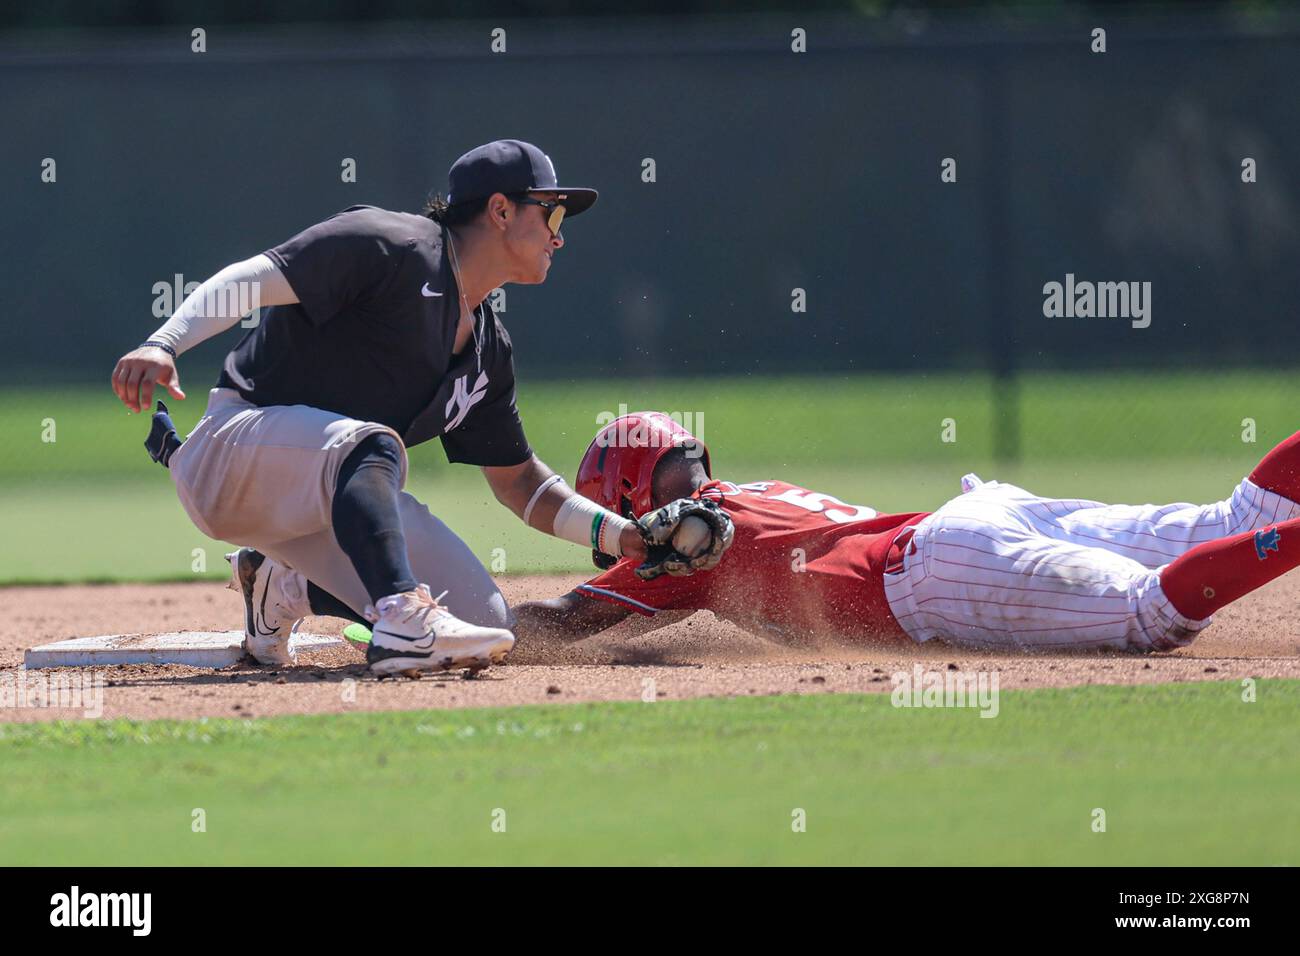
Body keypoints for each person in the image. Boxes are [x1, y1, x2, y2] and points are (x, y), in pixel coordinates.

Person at [110, 141, 729, 674]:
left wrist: (626, 537)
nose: (559, 234)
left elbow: (520, 485)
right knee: (372, 444)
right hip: (231, 452)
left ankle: (280, 583)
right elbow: (253, 276)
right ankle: (401, 617)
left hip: (316, 504)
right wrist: (164, 342)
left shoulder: (488, 347)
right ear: (500, 209)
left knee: (487, 623)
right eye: (551, 212)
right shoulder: (391, 244)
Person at [512, 411, 1300, 653]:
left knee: (1149, 618)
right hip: (975, 517)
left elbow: (557, 624)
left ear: (622, 495)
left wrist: (444, 624)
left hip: (935, 573)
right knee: (1236, 523)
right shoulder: (752, 496)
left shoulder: (682, 546)